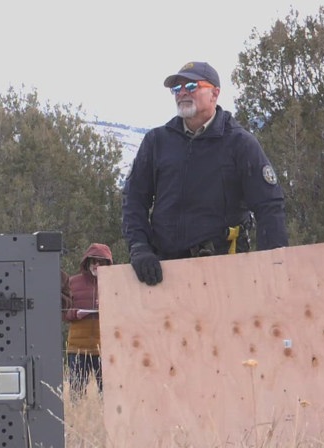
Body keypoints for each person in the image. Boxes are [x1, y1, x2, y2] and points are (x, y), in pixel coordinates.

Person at [122, 61, 289, 286]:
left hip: (227, 272)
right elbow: (134, 199)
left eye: (191, 86)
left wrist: (272, 268)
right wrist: (140, 248)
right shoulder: (156, 142)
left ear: (215, 93)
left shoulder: (240, 143)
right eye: (176, 89)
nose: (182, 93)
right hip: (164, 274)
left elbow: (269, 207)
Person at [63, 243, 112, 396]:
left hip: (106, 348)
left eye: (101, 262)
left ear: (107, 264)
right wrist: (75, 314)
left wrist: (108, 309)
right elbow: (63, 311)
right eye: (93, 261)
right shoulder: (72, 282)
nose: (96, 265)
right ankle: (78, 419)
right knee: (77, 392)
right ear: (87, 263)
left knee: (108, 393)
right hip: (78, 347)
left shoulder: (115, 284)